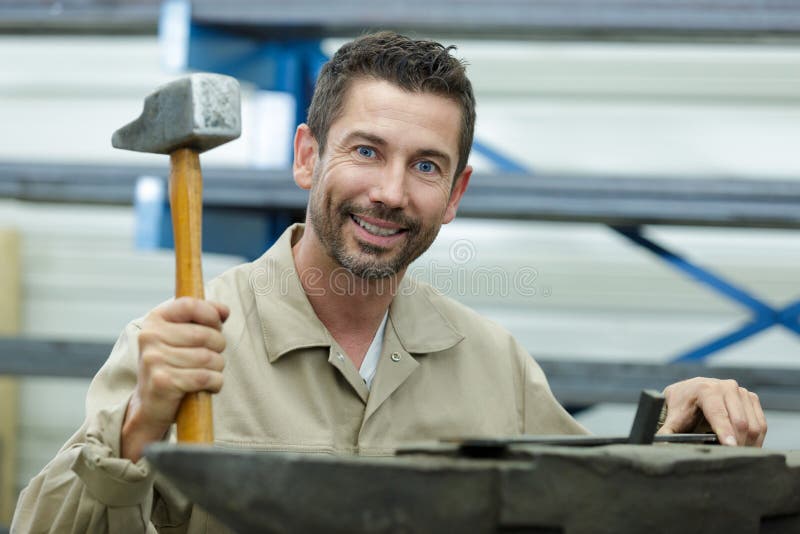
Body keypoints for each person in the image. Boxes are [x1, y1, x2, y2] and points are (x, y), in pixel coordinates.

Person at [12, 31, 767, 533]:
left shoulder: (490, 361)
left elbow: (594, 498)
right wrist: (140, 427)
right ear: (307, 156)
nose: (392, 192)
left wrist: (678, 424)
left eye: (426, 166)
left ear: (458, 191)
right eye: (367, 151)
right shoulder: (183, 345)